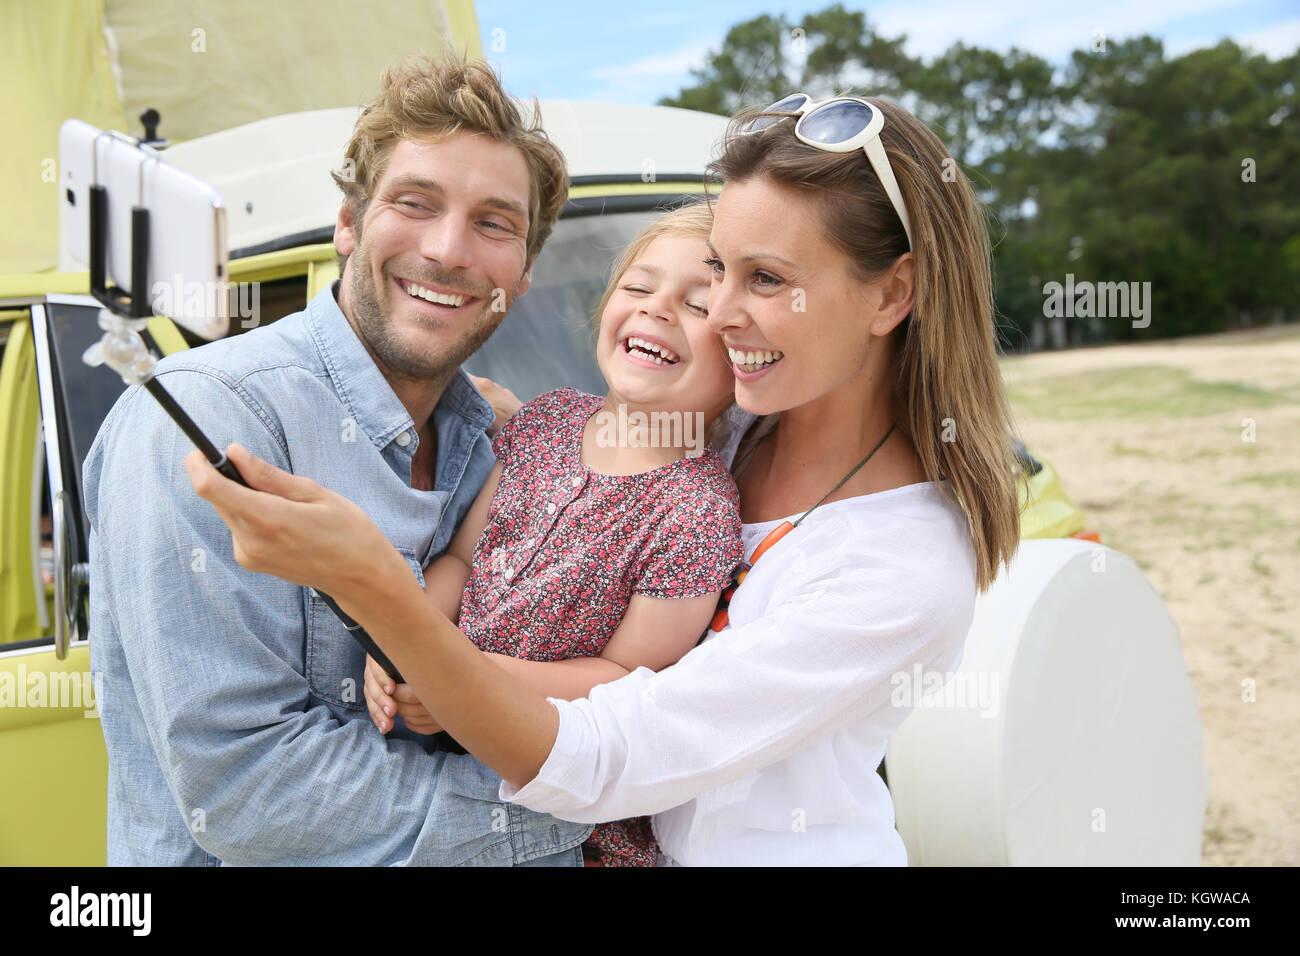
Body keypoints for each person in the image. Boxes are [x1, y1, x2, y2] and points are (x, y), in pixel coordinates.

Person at [187, 92, 1024, 865]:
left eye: (765, 279)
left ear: (893, 295)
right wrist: (512, 423)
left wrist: (378, 593)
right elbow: (609, 441)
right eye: (720, 270)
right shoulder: (735, 427)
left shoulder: (902, 564)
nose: (721, 312)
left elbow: (609, 756)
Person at [84, 53, 597, 865]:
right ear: (349, 224)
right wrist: (586, 801)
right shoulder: (215, 416)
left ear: (525, 270)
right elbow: (252, 793)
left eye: (496, 223)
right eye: (414, 203)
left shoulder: (500, 445)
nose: (450, 249)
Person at [366, 203, 744, 865]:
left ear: (743, 352)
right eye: (638, 286)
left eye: (698, 304)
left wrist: (459, 676)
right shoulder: (546, 419)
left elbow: (625, 679)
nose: (657, 308)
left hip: (565, 824)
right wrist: (405, 637)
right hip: (441, 769)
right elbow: (461, 557)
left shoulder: (698, 513)